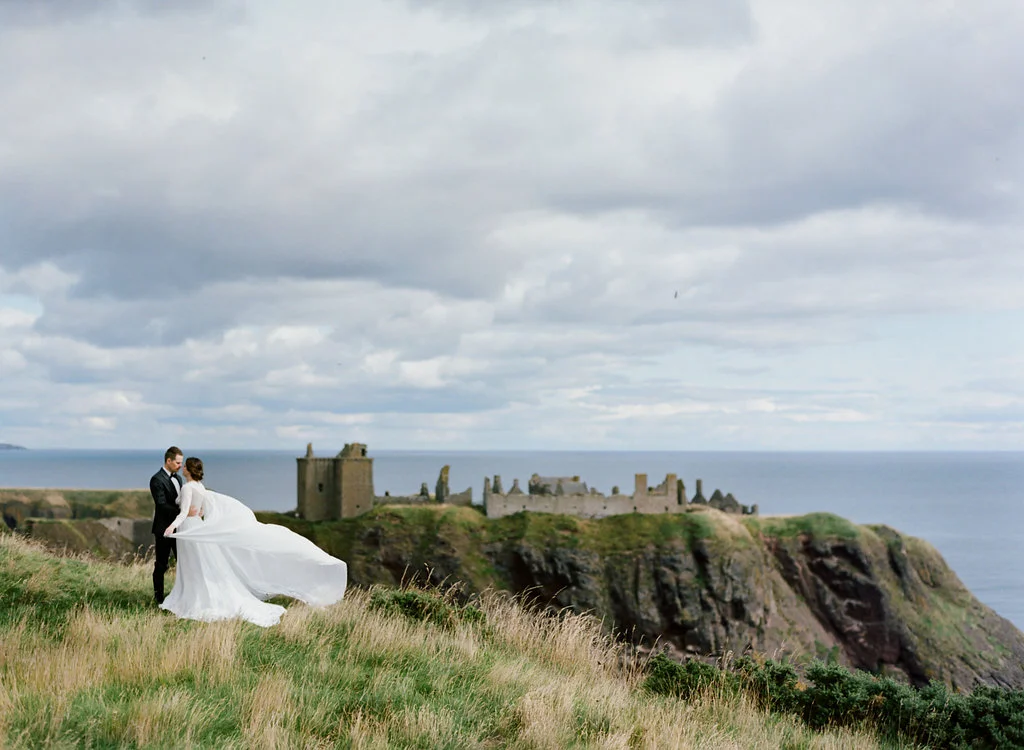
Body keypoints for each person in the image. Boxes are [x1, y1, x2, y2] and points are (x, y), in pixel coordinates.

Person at [160, 456, 347, 627]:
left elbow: (184, 513)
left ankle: (193, 598)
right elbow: (200, 510)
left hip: (189, 527)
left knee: (193, 565)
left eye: (184, 466)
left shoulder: (187, 487)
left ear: (190, 470)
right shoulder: (201, 488)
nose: (182, 468)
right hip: (198, 525)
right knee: (200, 564)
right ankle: (197, 594)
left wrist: (171, 528)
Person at [149, 446, 183, 604]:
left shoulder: (179, 478)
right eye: (177, 462)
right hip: (163, 528)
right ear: (168, 461)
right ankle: (159, 598)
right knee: (161, 565)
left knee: (183, 563)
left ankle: (182, 595)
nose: (180, 466)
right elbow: (161, 505)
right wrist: (183, 511)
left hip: (180, 529)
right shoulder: (156, 479)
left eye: (181, 463)